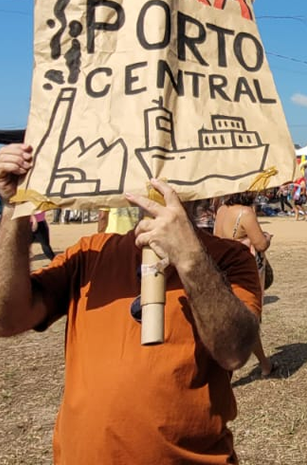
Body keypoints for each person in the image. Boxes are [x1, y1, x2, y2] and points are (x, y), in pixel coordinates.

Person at [0, 143, 262, 463]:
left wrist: (189, 257)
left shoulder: (230, 258)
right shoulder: (89, 253)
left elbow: (234, 350)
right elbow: (8, 318)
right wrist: (15, 208)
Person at [214, 193, 275, 378]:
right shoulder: (245, 213)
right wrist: (267, 237)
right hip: (244, 271)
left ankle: (264, 364)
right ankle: (230, 369)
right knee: (248, 319)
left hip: (223, 268)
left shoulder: (221, 209)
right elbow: (261, 244)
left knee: (236, 319)